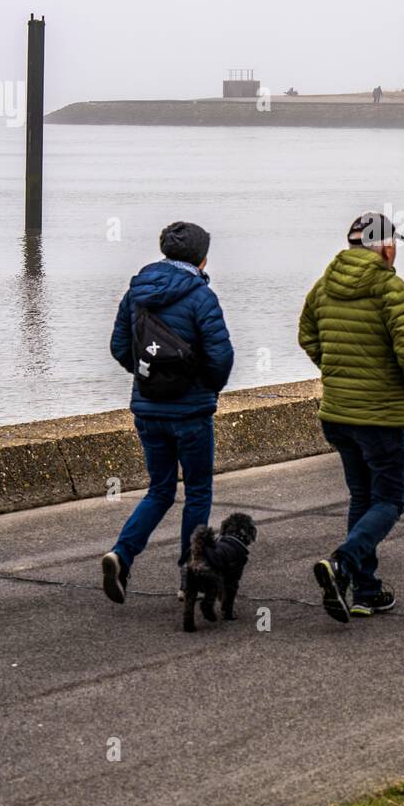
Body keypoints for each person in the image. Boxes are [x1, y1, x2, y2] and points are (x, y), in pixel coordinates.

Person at [298, 212, 404, 623]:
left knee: (362, 497)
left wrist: (336, 371)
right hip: (379, 417)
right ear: (386, 246)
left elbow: (307, 336)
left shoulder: (324, 286)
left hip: (337, 412)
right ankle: (342, 564)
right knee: (389, 500)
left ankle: (365, 591)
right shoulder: (391, 287)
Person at [101, 222, 234, 605]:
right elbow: (221, 358)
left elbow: (119, 346)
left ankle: (121, 555)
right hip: (191, 413)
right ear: (202, 257)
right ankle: (189, 576)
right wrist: (203, 387)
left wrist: (149, 378)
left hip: (147, 410)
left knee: (160, 489)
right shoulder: (201, 296)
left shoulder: (137, 291)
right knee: (198, 492)